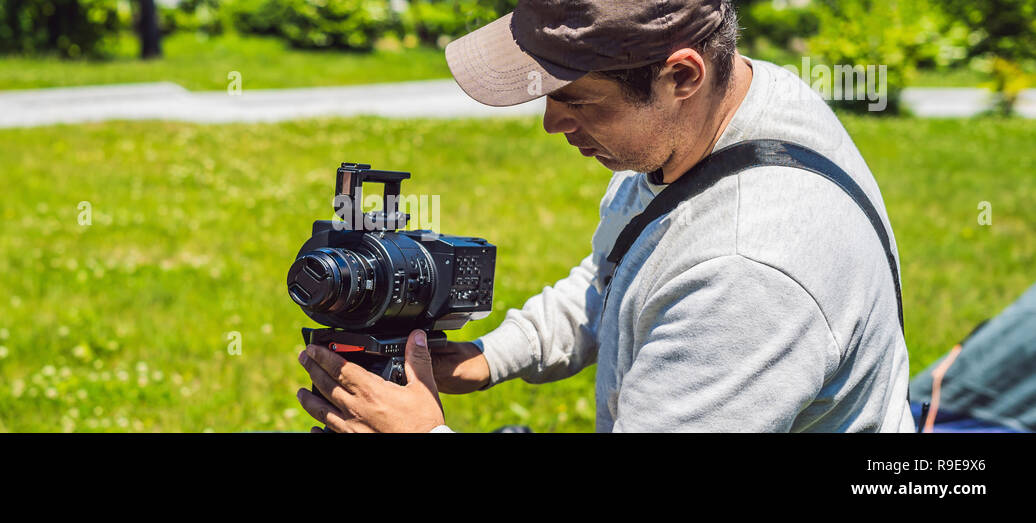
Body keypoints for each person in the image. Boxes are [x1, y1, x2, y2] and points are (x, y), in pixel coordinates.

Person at [296, 0, 917, 432]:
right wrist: (491, 357)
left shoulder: (746, 275)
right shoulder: (730, 109)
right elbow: (622, 274)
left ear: (680, 75)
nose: (551, 123)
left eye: (578, 101)